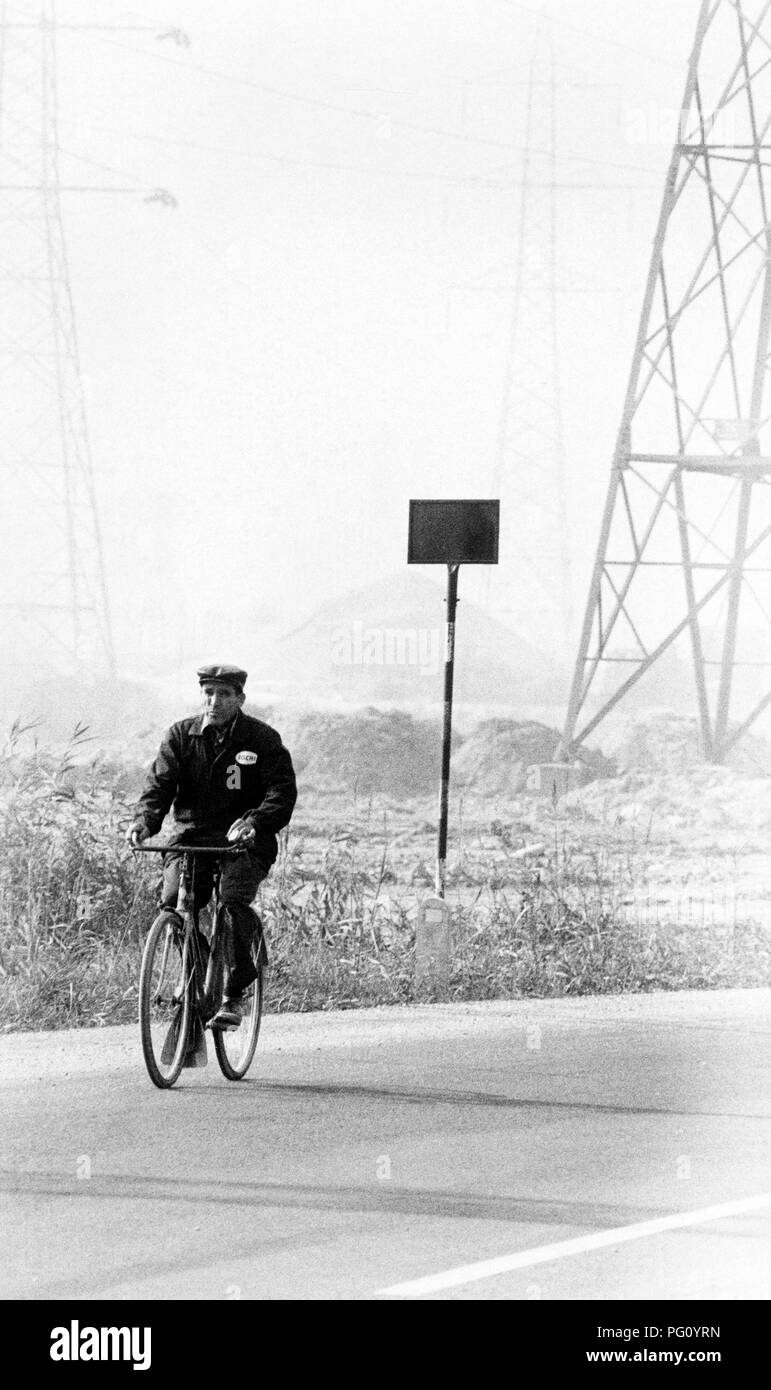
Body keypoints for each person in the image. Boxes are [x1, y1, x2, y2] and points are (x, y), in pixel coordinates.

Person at [126, 664, 297, 1027]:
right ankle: (198, 972)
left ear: (240, 699)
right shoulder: (181, 735)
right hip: (192, 837)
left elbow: (281, 793)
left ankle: (234, 992)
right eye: (209, 693)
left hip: (244, 841)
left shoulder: (262, 739)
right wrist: (144, 824)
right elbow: (159, 788)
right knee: (173, 904)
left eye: (224, 694)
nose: (214, 701)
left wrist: (254, 822)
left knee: (233, 900)